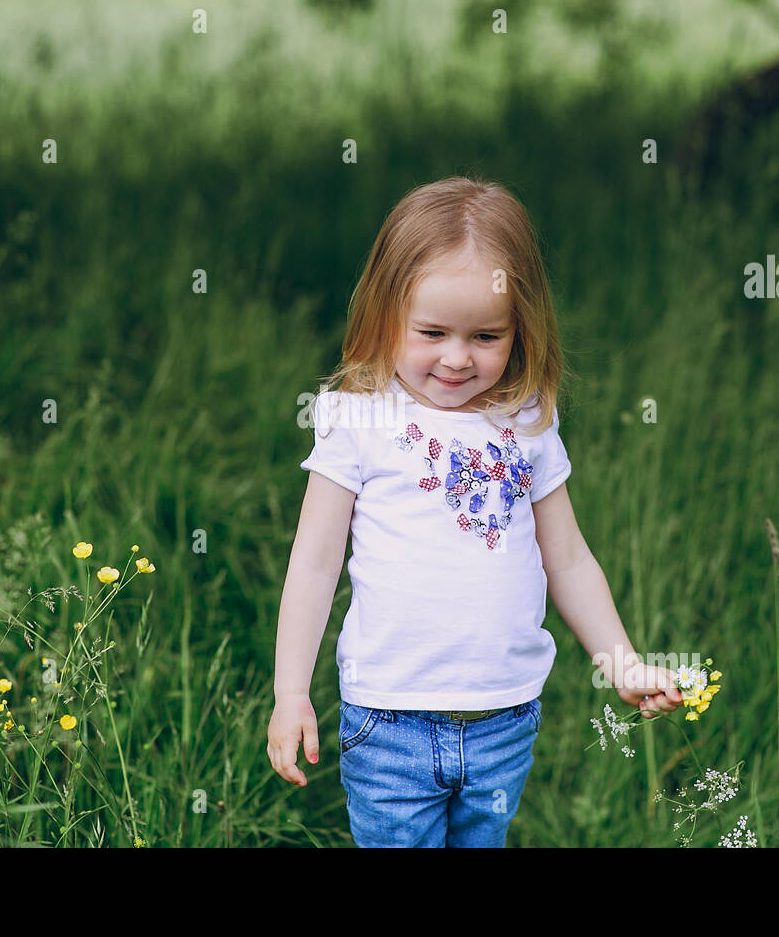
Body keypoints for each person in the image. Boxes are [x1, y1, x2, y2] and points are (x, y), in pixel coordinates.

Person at [266, 175, 684, 847]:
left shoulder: (525, 424)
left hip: (504, 719)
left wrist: (622, 662)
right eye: (431, 332)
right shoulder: (359, 420)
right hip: (389, 721)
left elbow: (568, 558)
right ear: (385, 315)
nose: (457, 359)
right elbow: (314, 566)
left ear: (521, 328)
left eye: (485, 336)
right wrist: (292, 694)